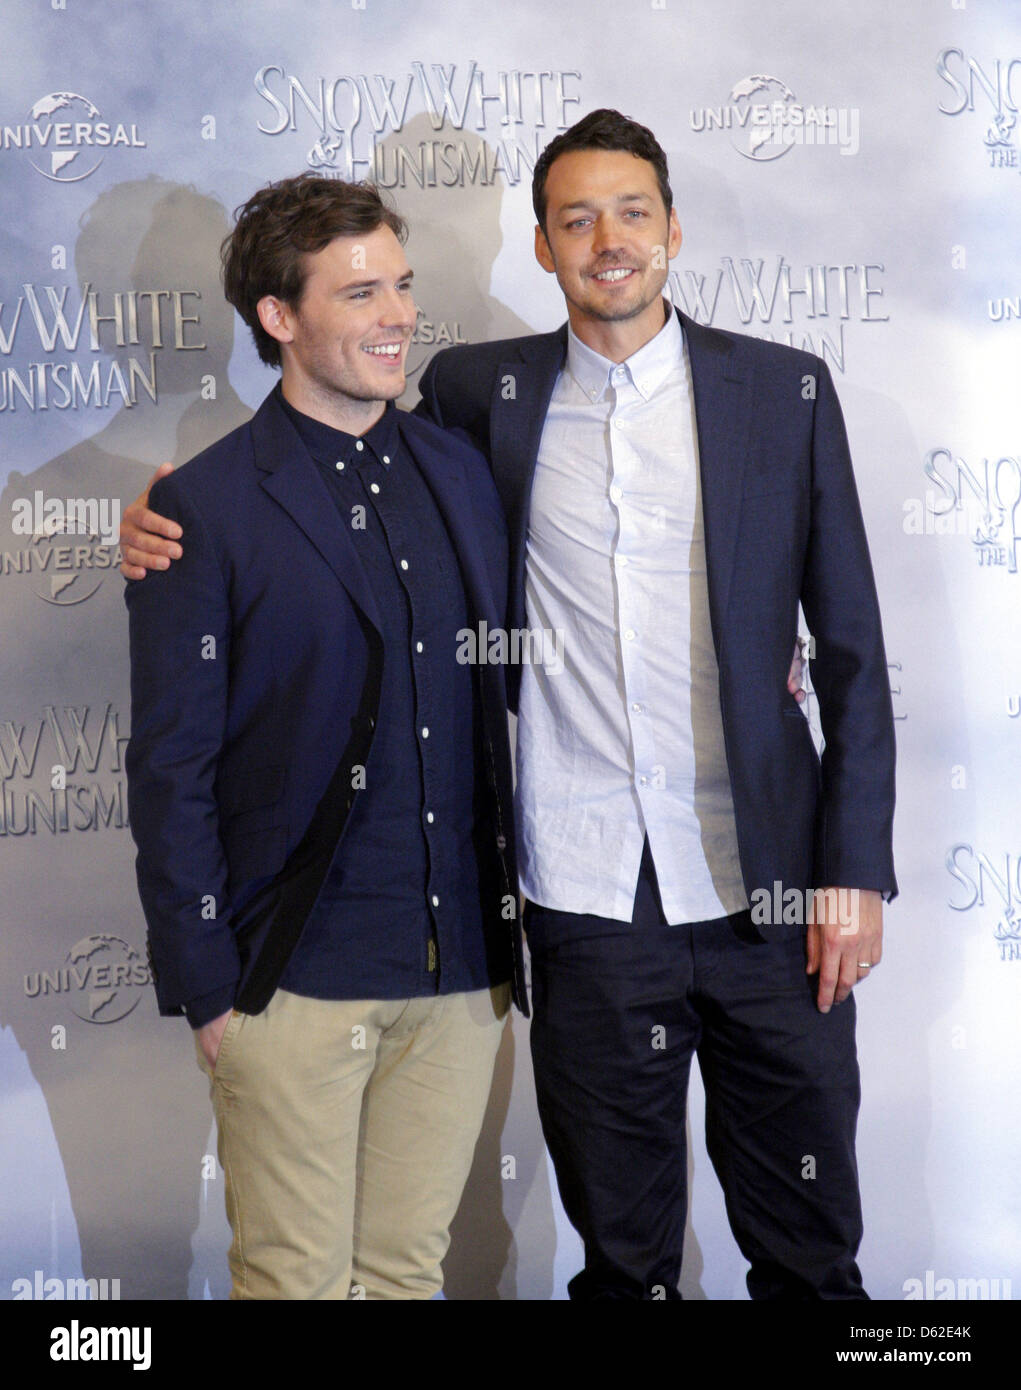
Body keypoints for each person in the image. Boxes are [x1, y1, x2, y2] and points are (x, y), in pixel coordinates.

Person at [122, 110, 896, 1301]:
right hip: (584, 904)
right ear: (542, 248)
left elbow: (851, 650)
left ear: (674, 228)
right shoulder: (480, 401)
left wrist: (853, 869)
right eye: (576, 219)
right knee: (622, 1258)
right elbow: (320, 477)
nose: (608, 240)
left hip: (773, 892)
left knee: (809, 1250)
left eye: (632, 211)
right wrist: (168, 515)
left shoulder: (782, 393)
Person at [123, 173, 525, 1301]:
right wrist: (209, 988)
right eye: (359, 293)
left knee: (406, 1273)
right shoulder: (201, 507)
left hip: (459, 977)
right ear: (280, 317)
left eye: (401, 284)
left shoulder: (457, 469)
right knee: (292, 1281)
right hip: (289, 981)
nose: (396, 313)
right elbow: (170, 767)